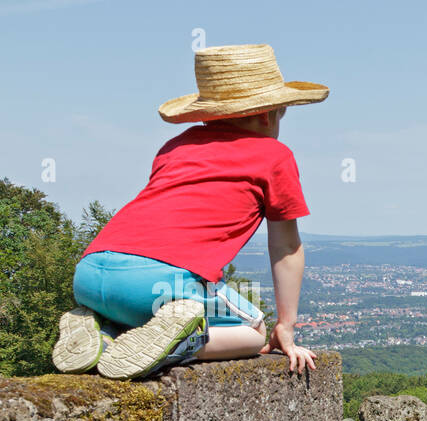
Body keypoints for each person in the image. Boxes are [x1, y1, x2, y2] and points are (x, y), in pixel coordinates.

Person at [52, 43, 325, 379]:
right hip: (158, 281)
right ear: (268, 114)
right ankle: (180, 343)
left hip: (90, 274)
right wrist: (286, 325)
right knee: (252, 331)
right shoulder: (274, 155)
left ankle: (102, 331)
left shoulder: (176, 146)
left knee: (145, 311)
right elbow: (286, 247)